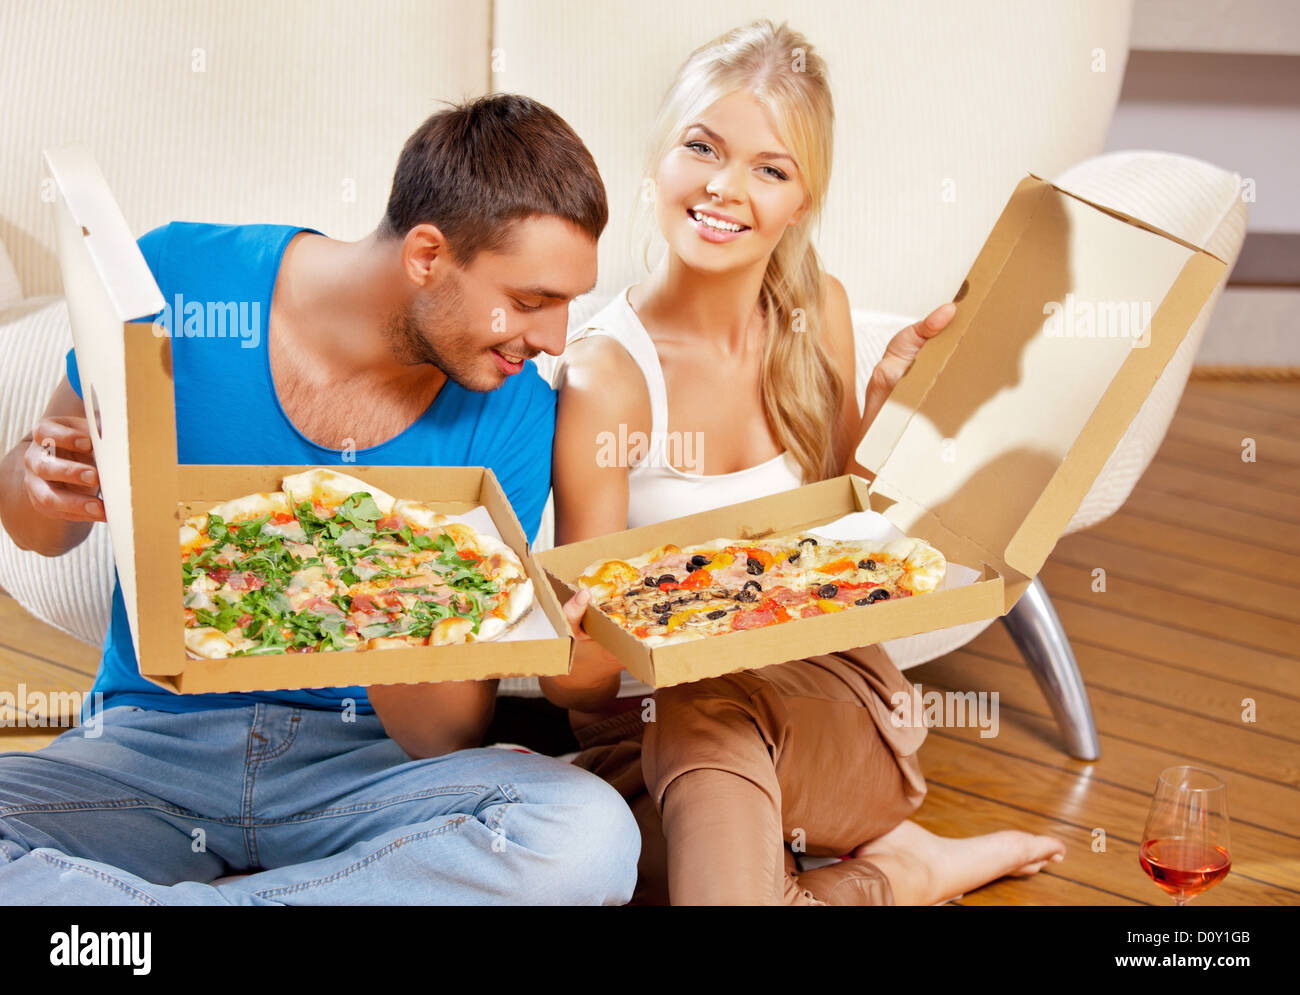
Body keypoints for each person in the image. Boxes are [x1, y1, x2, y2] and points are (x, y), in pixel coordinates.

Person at [0, 94, 639, 905]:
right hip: (149, 743)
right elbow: (39, 531)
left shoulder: (513, 410)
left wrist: (388, 601)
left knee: (586, 835)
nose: (553, 338)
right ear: (427, 255)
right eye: (532, 299)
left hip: (366, 774)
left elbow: (443, 735)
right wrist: (33, 476)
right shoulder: (176, 280)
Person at [542, 21, 1066, 905]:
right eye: (702, 147)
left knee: (706, 713)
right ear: (659, 158)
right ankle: (902, 871)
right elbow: (581, 690)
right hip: (644, 737)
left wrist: (888, 414)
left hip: (835, 715)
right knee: (657, 851)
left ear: (801, 202)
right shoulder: (606, 376)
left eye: (769, 169)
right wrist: (578, 638)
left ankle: (851, 855)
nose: (723, 186)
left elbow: (850, 555)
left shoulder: (818, 313)